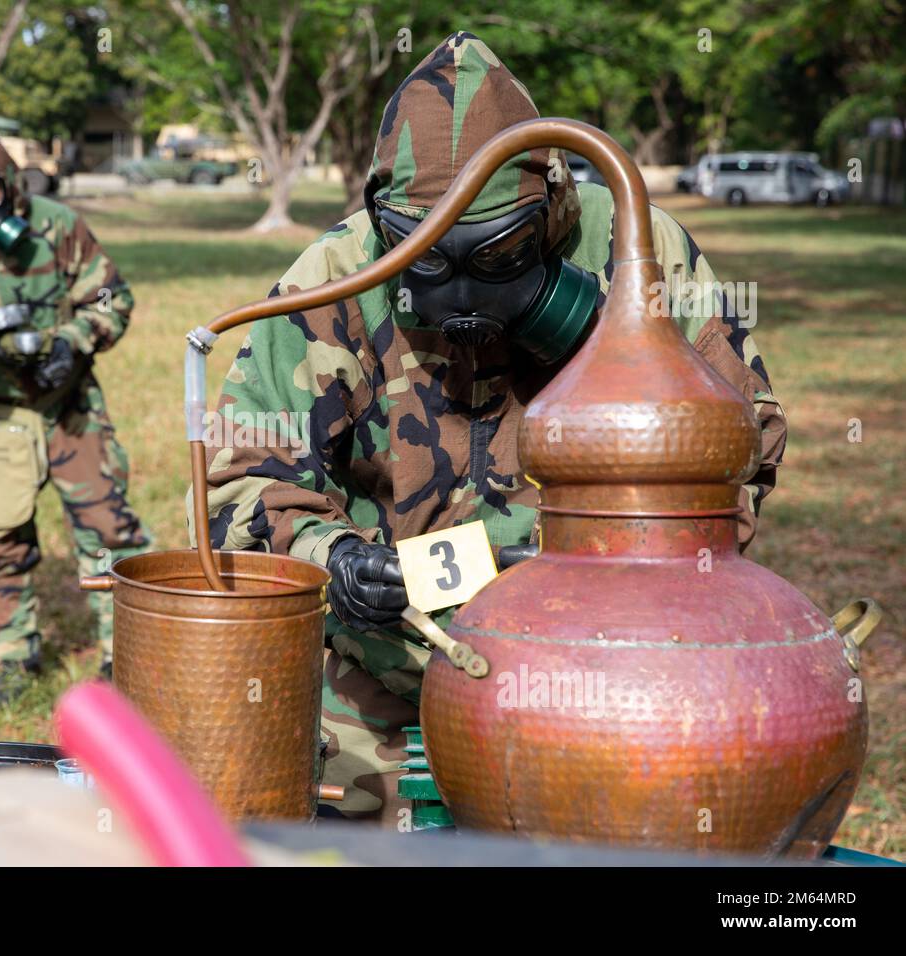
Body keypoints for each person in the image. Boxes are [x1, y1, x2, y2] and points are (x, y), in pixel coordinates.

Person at [194, 33, 788, 821]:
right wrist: (329, 559)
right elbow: (244, 477)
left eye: (500, 256)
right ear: (386, 228)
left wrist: (608, 339)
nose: (465, 297)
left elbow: (743, 448)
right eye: (430, 260)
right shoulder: (333, 283)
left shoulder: (638, 251)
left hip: (603, 676)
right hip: (386, 669)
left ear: (549, 208)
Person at [0, 128, 151, 705]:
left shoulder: (57, 224)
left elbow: (112, 298)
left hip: (69, 409)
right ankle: (14, 653)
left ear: (13, 188)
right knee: (0, 541)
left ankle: (122, 656)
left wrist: (73, 342)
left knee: (108, 533)